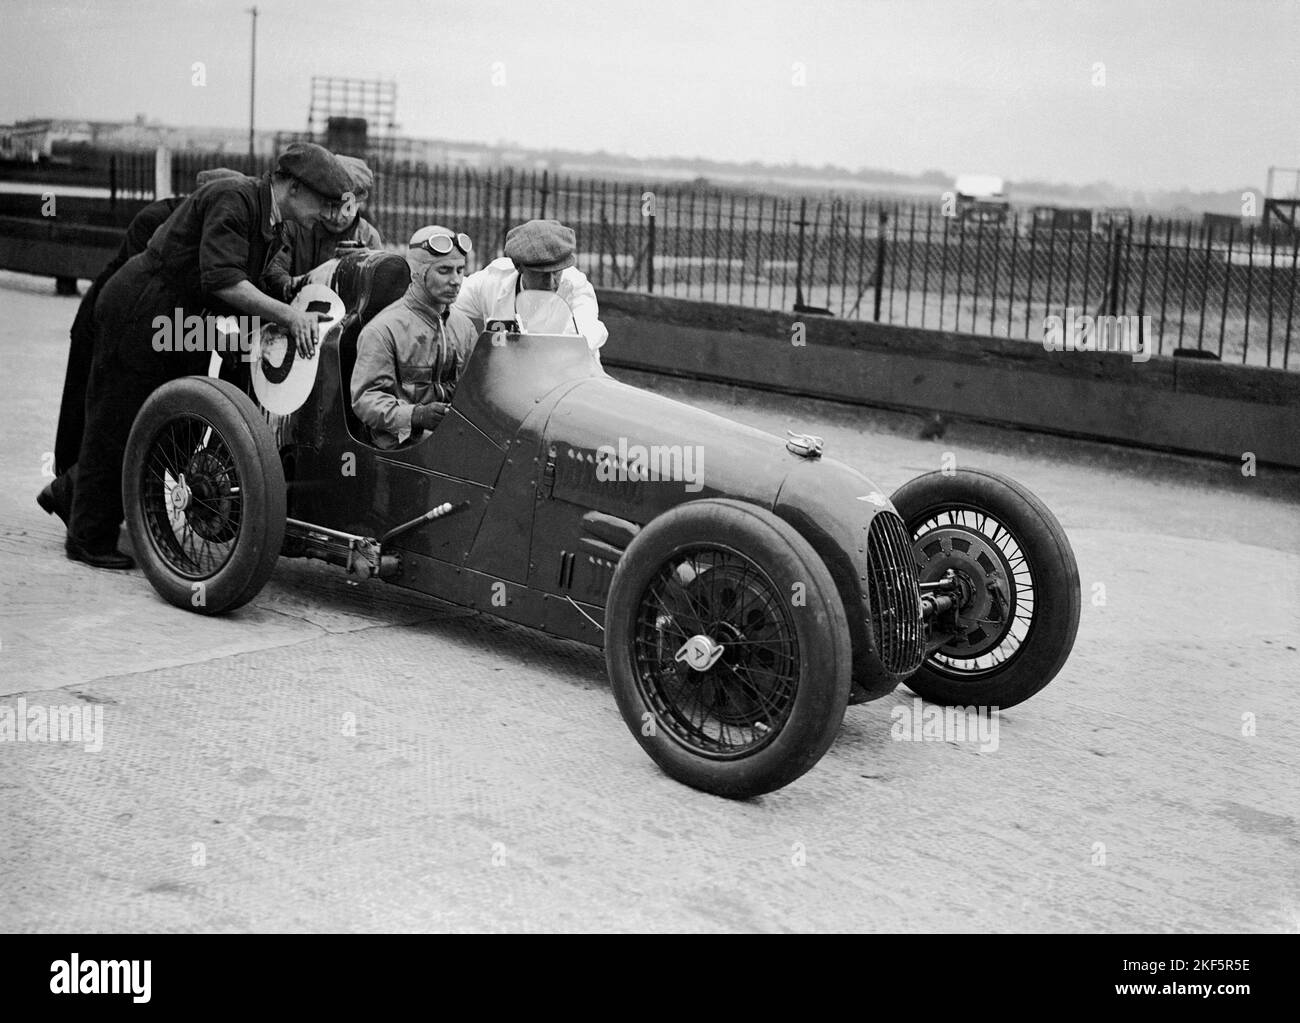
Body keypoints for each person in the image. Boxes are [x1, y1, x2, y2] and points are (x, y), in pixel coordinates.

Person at [62, 142, 353, 570]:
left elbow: (256, 281)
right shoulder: (233, 198)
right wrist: (288, 317)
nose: (328, 213)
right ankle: (87, 538)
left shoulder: (276, 221)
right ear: (292, 186)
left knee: (169, 425)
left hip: (181, 320)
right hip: (142, 309)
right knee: (116, 420)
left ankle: (72, 498)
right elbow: (223, 280)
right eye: (323, 202)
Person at [40, 168, 245, 520]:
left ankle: (86, 500)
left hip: (163, 328)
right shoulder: (158, 219)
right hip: (116, 322)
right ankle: (72, 495)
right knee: (101, 419)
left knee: (141, 422)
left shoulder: (202, 228)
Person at [350, 225, 479, 449]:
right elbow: (365, 400)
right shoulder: (383, 330)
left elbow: (475, 391)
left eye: (460, 270)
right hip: (399, 446)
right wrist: (416, 415)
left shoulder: (464, 328)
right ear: (417, 273)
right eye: (445, 270)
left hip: (452, 438)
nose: (456, 280)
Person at [453, 219, 608, 356]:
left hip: (565, 379)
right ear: (518, 266)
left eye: (556, 272)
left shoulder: (575, 286)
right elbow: (451, 296)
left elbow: (588, 331)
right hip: (507, 377)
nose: (551, 282)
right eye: (541, 274)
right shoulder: (495, 279)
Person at [261, 154, 383, 302]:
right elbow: (273, 271)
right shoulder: (297, 222)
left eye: (347, 208)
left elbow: (378, 292)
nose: (338, 217)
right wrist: (298, 285)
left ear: (360, 203)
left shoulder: (369, 236)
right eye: (332, 206)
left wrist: (364, 266)